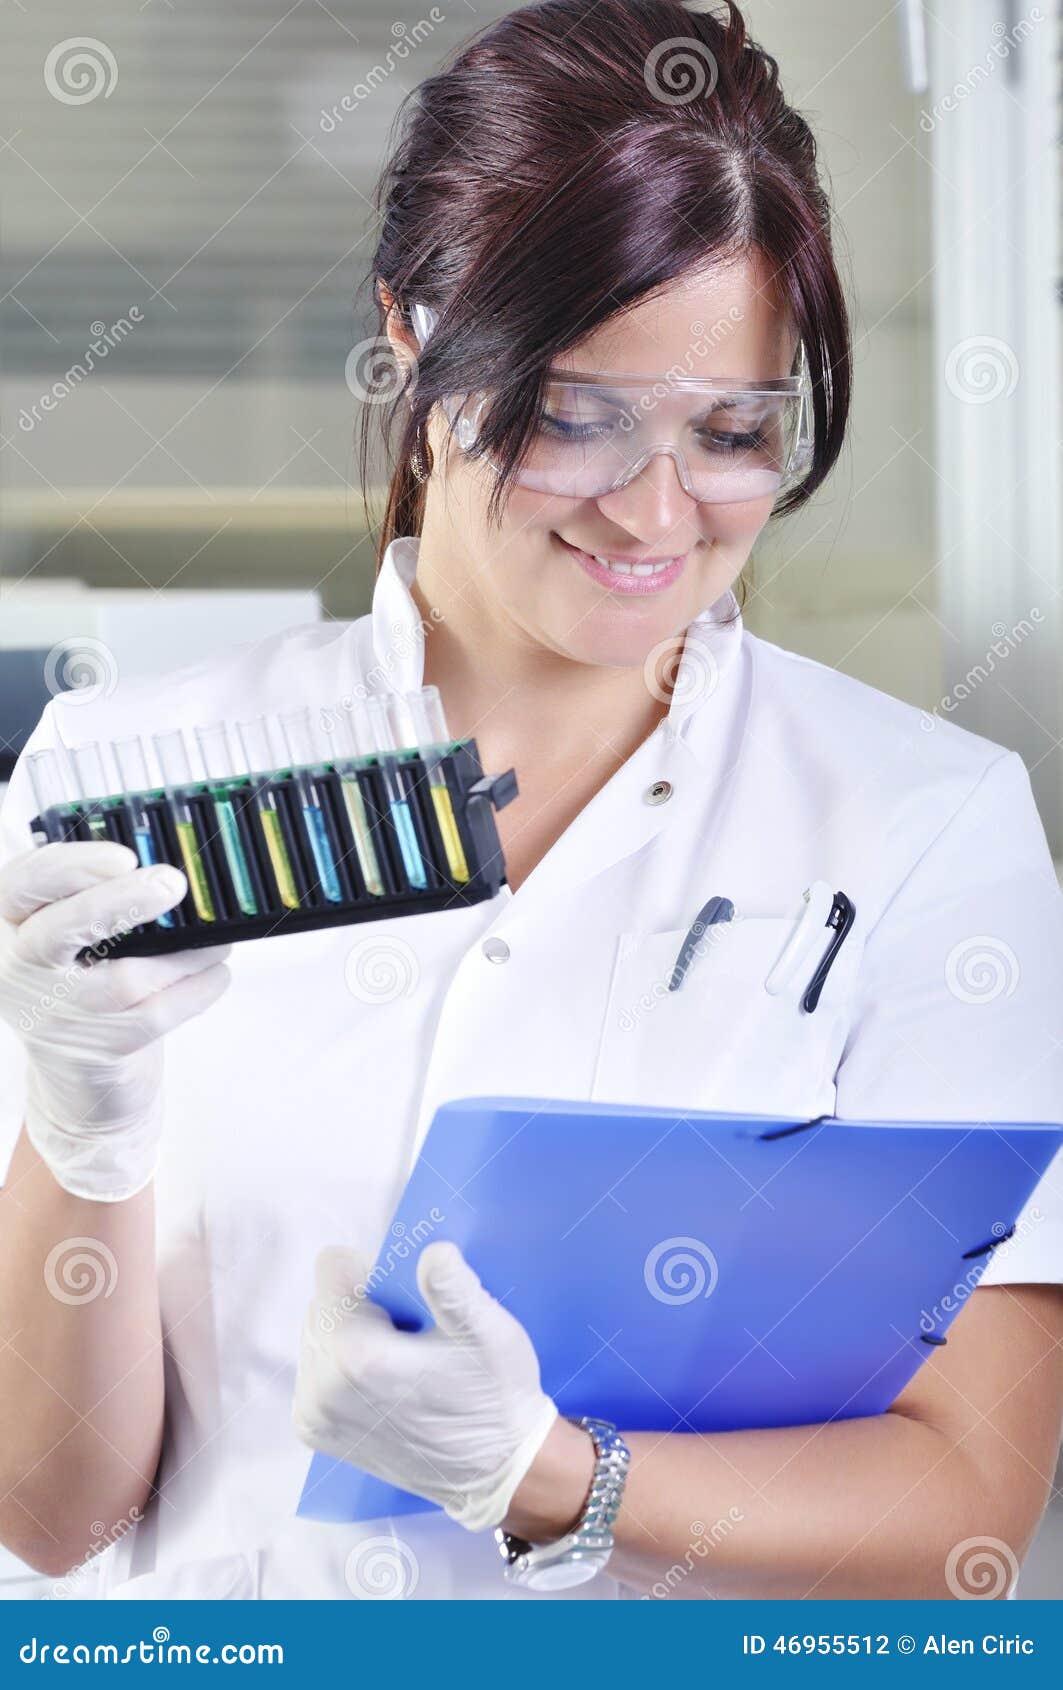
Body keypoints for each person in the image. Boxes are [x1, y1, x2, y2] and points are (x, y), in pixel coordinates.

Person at [1, 0, 1061, 1602]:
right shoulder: (123, 791)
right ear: (412, 334)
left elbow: (967, 1504)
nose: (656, 511)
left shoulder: (928, 831)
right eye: (578, 414)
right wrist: (84, 1133)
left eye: (733, 432)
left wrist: (546, 1474)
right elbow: (47, 1513)